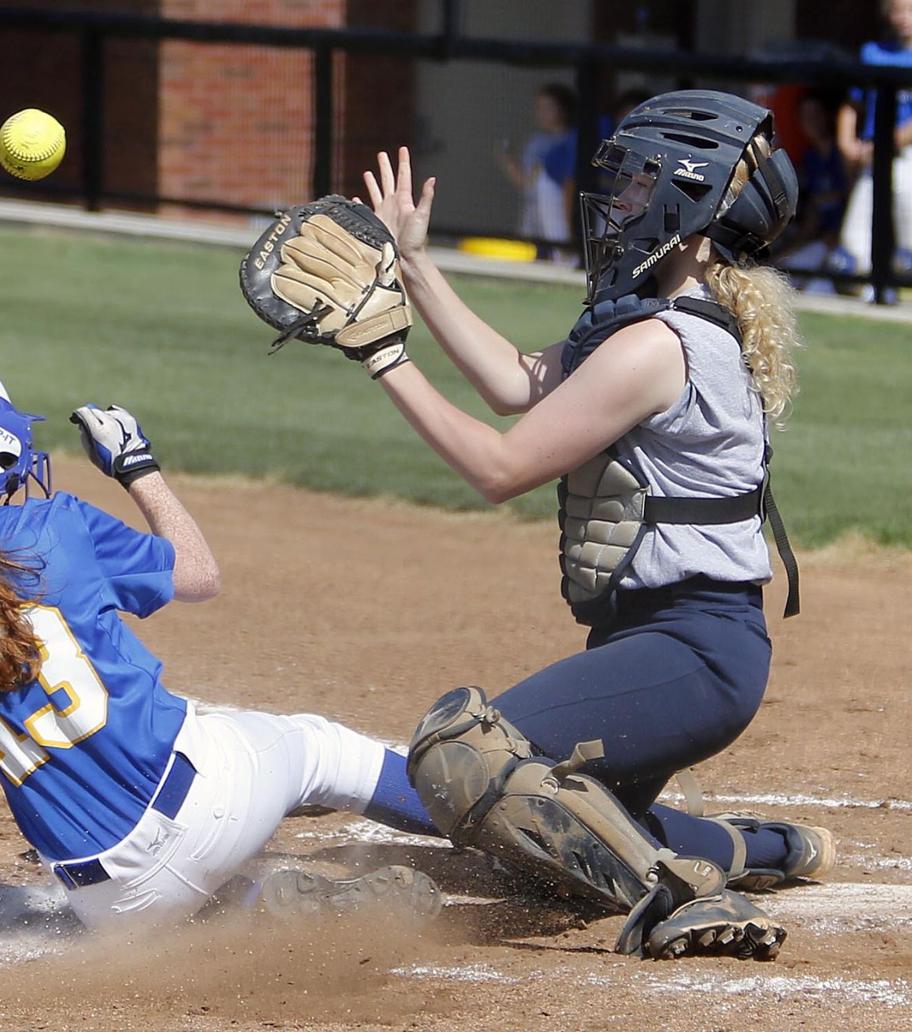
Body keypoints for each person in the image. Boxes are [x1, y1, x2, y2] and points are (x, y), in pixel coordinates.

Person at [337, 90, 835, 960]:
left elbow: (500, 468)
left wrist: (384, 355)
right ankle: (761, 849)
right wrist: (413, 265)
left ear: (690, 206)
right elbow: (516, 383)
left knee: (463, 759)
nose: (620, 200)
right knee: (550, 847)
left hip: (691, 652)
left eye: (643, 182)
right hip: (658, 647)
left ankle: (675, 894)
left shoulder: (660, 345)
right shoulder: (657, 326)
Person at [0, 347, 444, 933]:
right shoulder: (53, 525)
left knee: (181, 898)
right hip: (205, 805)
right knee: (318, 749)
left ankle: (255, 907)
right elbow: (199, 575)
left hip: (111, 904)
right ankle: (487, 821)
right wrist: (138, 467)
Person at [834, 0, 912, 296]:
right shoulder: (873, 52)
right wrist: (846, 143)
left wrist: (886, 143)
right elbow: (853, 103)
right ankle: (869, 291)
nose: (903, 18)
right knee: (853, 245)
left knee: (906, 224)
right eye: (897, 10)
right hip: (872, 156)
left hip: (903, 154)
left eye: (910, 10)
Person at [774, 90, 850, 294]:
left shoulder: (843, 154)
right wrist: (787, 253)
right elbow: (811, 221)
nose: (812, 122)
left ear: (828, 115)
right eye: (806, 116)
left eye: (816, 114)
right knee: (786, 274)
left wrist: (836, 237)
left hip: (846, 245)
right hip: (820, 242)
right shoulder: (811, 159)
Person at [496, 83, 578, 259]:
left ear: (563, 110)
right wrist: (507, 161)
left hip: (560, 212)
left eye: (548, 108)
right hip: (533, 212)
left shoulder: (571, 140)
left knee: (558, 255)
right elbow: (527, 183)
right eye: (538, 108)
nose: (541, 113)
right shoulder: (536, 142)